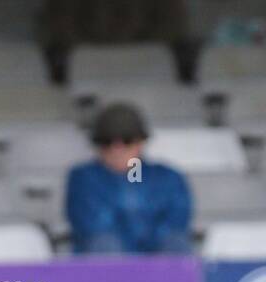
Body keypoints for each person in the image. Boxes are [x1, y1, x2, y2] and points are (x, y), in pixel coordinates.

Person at [66, 103, 193, 254]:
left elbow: (175, 224)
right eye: (107, 141)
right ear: (98, 144)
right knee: (105, 245)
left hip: (156, 262)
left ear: (140, 142)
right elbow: (94, 226)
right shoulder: (84, 178)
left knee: (175, 243)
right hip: (106, 267)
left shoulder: (167, 178)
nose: (117, 149)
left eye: (126, 140)